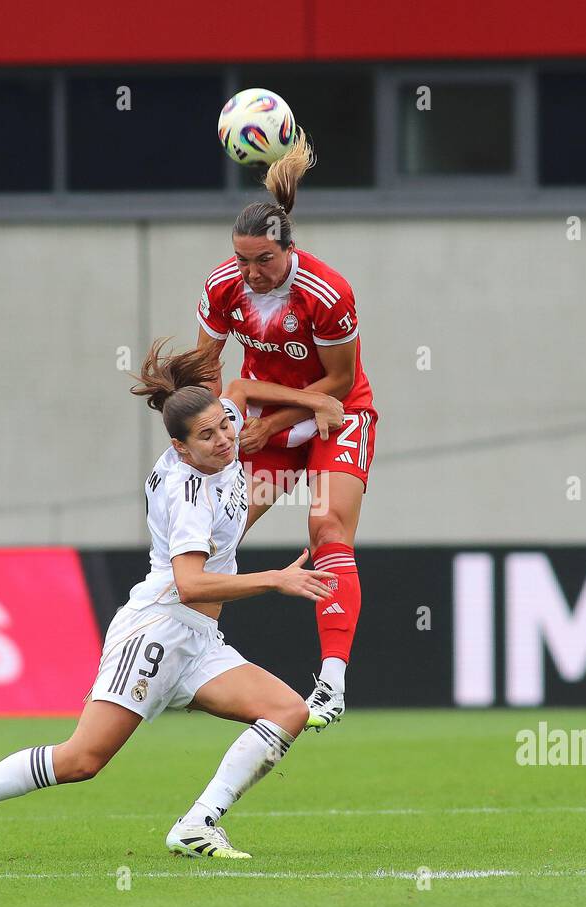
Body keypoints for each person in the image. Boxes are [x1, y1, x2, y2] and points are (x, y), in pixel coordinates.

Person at [0, 343, 341, 862]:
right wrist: (274, 580)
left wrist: (311, 401)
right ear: (181, 447)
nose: (224, 439)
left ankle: (197, 825)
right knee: (81, 760)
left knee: (286, 710)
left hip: (198, 640)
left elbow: (238, 391)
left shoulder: (224, 424)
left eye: (224, 427)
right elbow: (189, 583)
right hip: (158, 631)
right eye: (207, 436)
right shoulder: (189, 494)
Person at [193, 131, 378, 730]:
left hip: (335, 414)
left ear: (288, 250)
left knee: (325, 526)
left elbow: (339, 382)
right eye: (243, 260)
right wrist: (215, 426)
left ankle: (330, 681)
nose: (252, 273)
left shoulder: (328, 293)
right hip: (263, 428)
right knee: (219, 531)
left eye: (263, 260)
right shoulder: (223, 287)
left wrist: (266, 420)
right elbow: (206, 371)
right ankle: (181, 654)